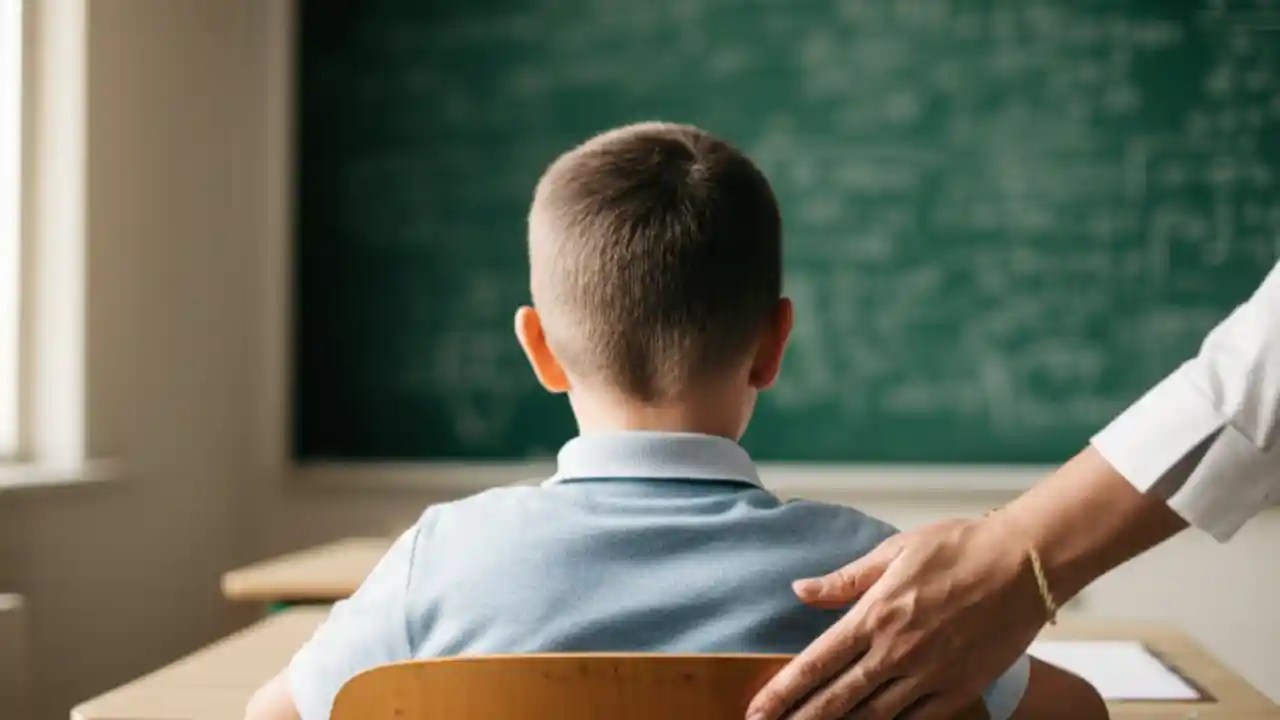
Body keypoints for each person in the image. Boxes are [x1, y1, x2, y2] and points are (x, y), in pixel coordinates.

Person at [244, 122, 1106, 720]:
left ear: (539, 349)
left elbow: (275, 714)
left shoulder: (441, 564)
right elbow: (1080, 714)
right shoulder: (870, 580)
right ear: (773, 345)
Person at [746, 260, 1279, 720]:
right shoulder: (855, 552)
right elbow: (1080, 710)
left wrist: (1020, 548)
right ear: (774, 342)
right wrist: (1018, 549)